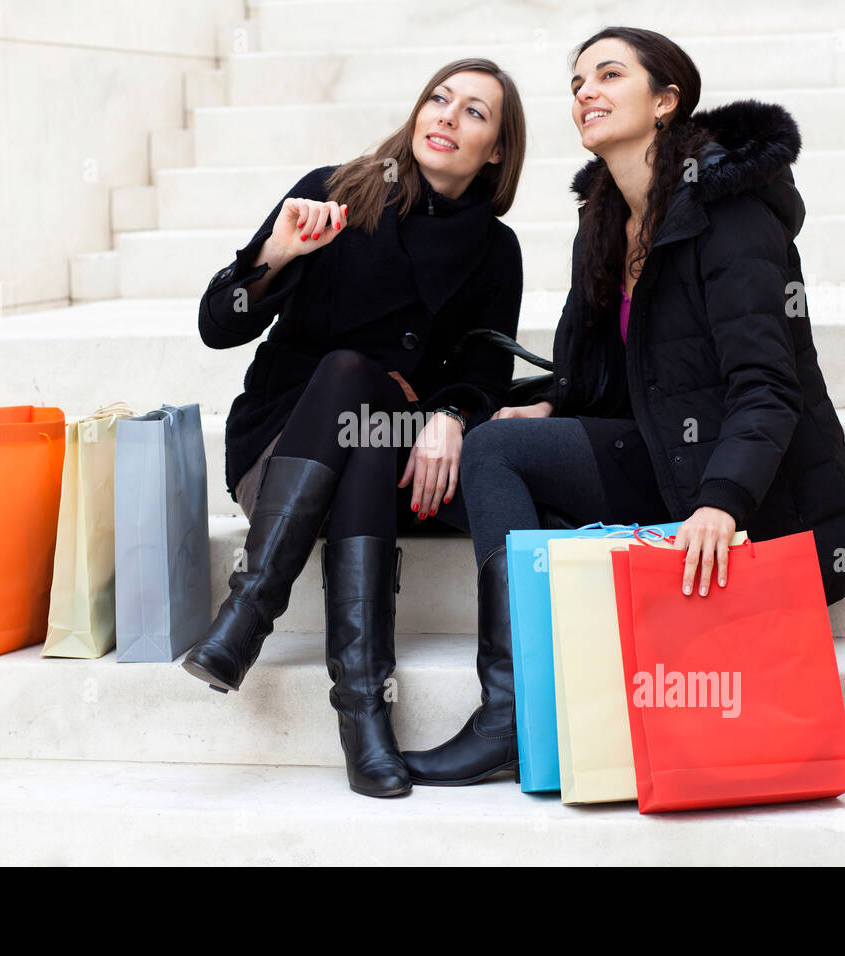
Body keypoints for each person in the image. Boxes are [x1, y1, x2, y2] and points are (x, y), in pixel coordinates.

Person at [404, 26, 845, 787]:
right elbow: (622, 373)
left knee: (500, 468)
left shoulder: (730, 212)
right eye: (576, 82)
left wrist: (724, 504)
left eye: (609, 75)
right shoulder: (604, 219)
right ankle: (514, 710)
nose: (585, 91)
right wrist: (551, 408)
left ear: (666, 101)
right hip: (664, 454)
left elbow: (768, 385)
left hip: (752, 487)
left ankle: (517, 707)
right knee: (492, 447)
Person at [182, 58, 527, 798]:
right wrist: (276, 257)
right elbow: (217, 326)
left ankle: (270, 634)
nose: (446, 117)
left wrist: (448, 414)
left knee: (367, 425)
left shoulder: (495, 251)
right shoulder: (335, 192)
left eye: (474, 112)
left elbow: (482, 374)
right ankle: (351, 703)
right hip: (281, 446)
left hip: (393, 454)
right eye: (438, 98)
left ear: (496, 149)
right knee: (344, 374)